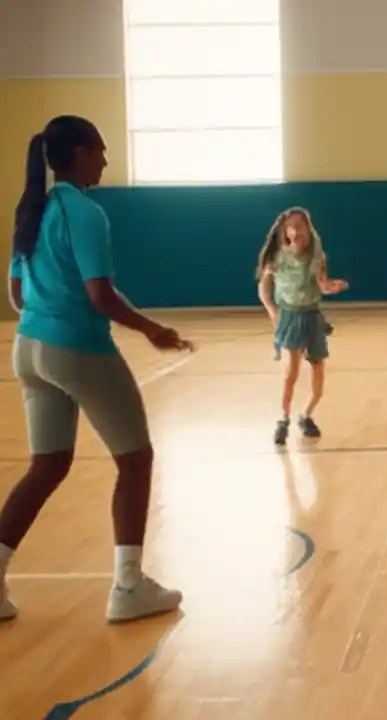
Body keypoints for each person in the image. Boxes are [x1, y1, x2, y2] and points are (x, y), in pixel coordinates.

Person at [1, 115, 193, 623]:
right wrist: (151, 330)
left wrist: (47, 313)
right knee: (136, 459)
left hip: (28, 350)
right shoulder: (85, 213)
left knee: (47, 466)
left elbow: (17, 294)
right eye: (100, 151)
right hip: (77, 348)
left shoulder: (32, 209)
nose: (105, 161)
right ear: (80, 155)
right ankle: (128, 586)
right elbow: (99, 295)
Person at [257, 207, 348, 445]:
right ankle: (283, 418)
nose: (297, 231)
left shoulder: (317, 256)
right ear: (285, 232)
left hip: (312, 316)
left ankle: (305, 415)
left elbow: (322, 284)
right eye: (292, 227)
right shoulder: (278, 257)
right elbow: (264, 289)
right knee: (291, 372)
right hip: (289, 317)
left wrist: (332, 287)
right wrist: (273, 312)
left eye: (301, 226)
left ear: (309, 229)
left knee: (319, 376)